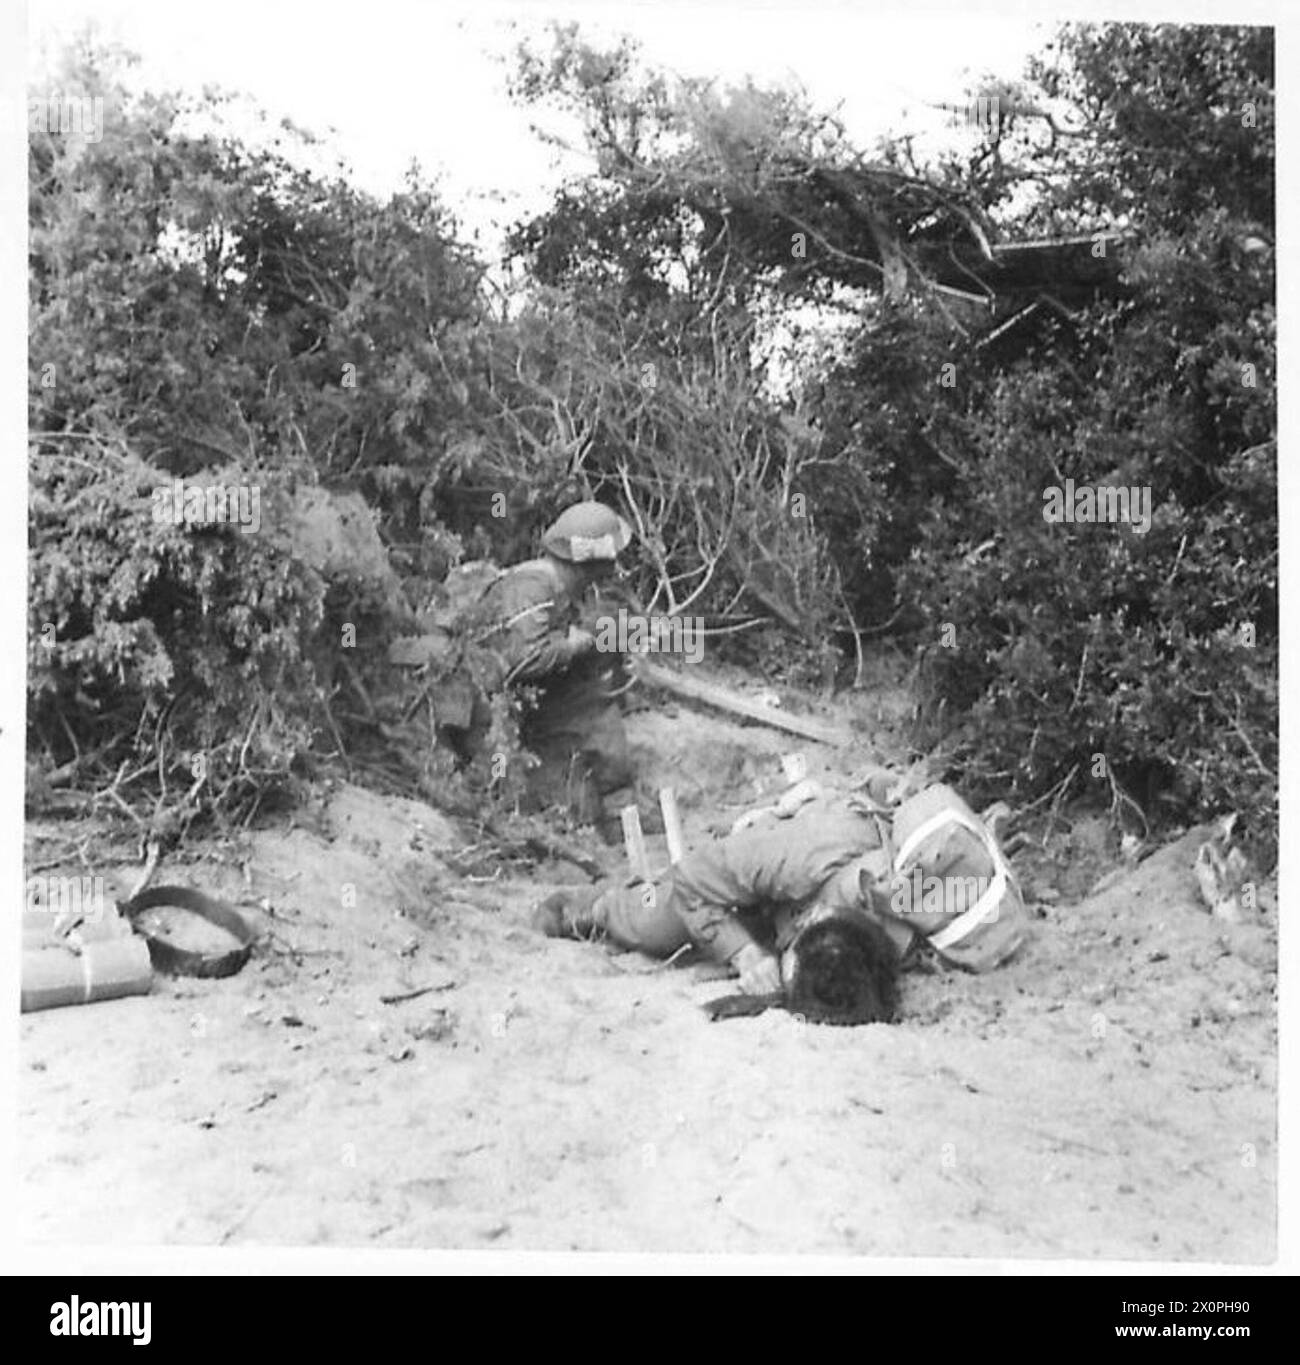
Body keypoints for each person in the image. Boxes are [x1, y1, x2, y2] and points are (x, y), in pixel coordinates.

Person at [532, 776, 1029, 1003]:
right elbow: (693, 879)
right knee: (662, 921)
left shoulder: (902, 926)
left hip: (810, 897)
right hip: (772, 861)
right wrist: (744, 956)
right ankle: (596, 908)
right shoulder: (802, 857)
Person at [466, 500, 638, 835]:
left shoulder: (572, 588)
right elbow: (523, 659)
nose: (616, 562)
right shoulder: (534, 585)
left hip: (528, 697)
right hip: (495, 709)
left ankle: (619, 816)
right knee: (596, 717)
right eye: (610, 555)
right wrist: (576, 644)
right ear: (591, 559)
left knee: (601, 708)